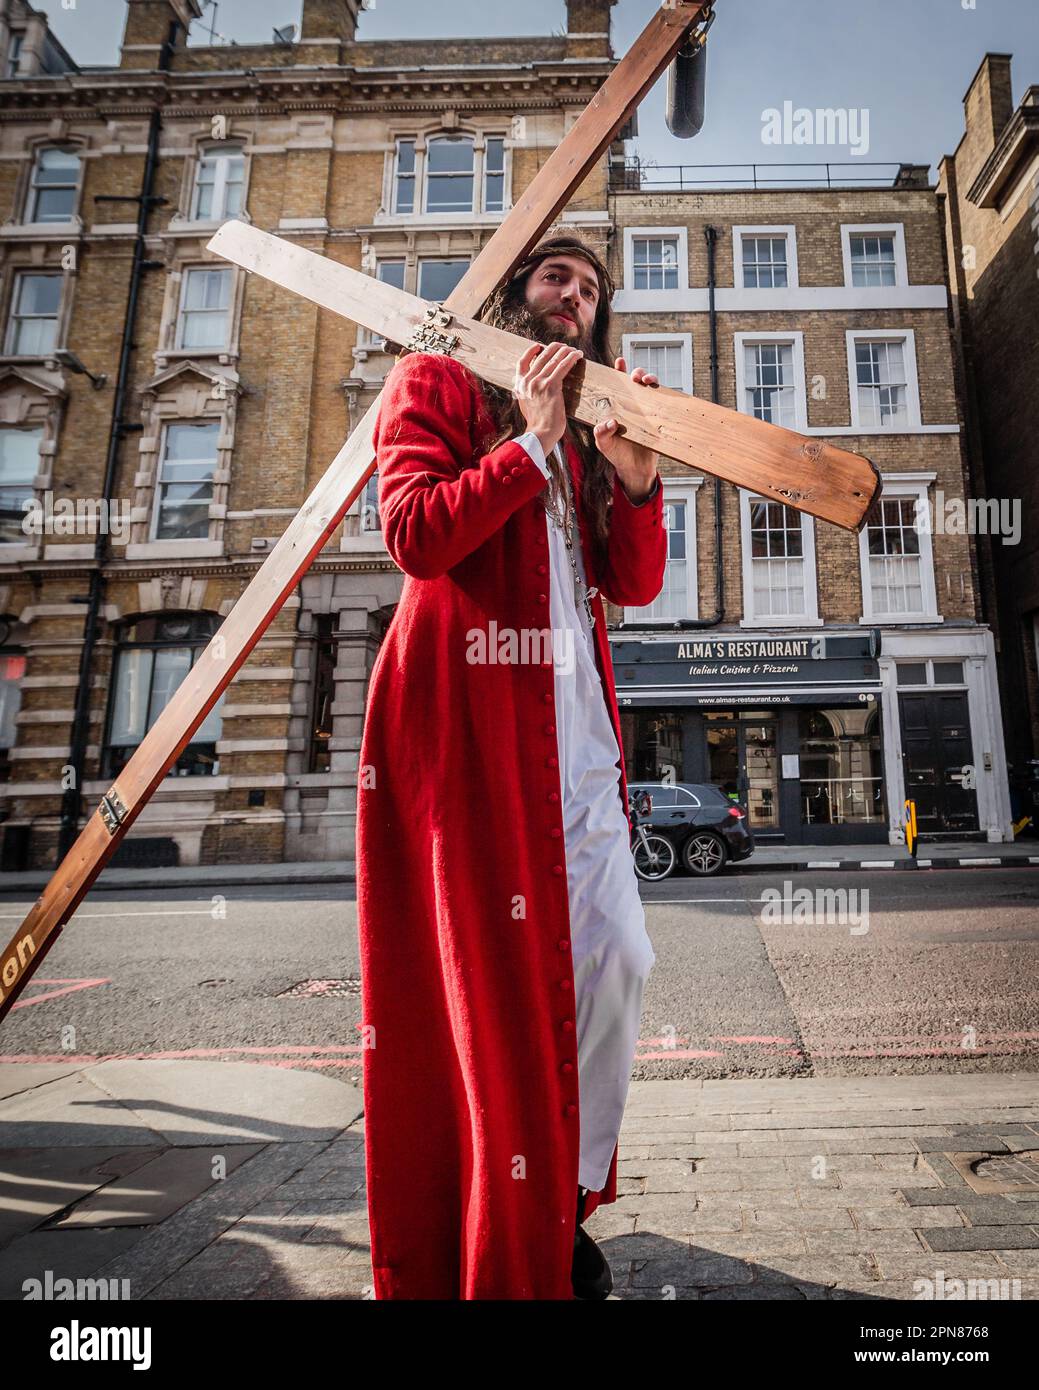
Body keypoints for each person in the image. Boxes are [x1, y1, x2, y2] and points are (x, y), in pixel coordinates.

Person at [356, 234, 668, 1300]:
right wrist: (528, 442)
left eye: (588, 289)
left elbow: (632, 583)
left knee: (618, 957)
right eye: (554, 278)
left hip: (576, 732)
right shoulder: (434, 378)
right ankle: (511, 1234)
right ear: (511, 292)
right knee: (493, 996)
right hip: (471, 726)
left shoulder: (588, 429)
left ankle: (556, 1201)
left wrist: (632, 483)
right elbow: (414, 536)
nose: (572, 298)